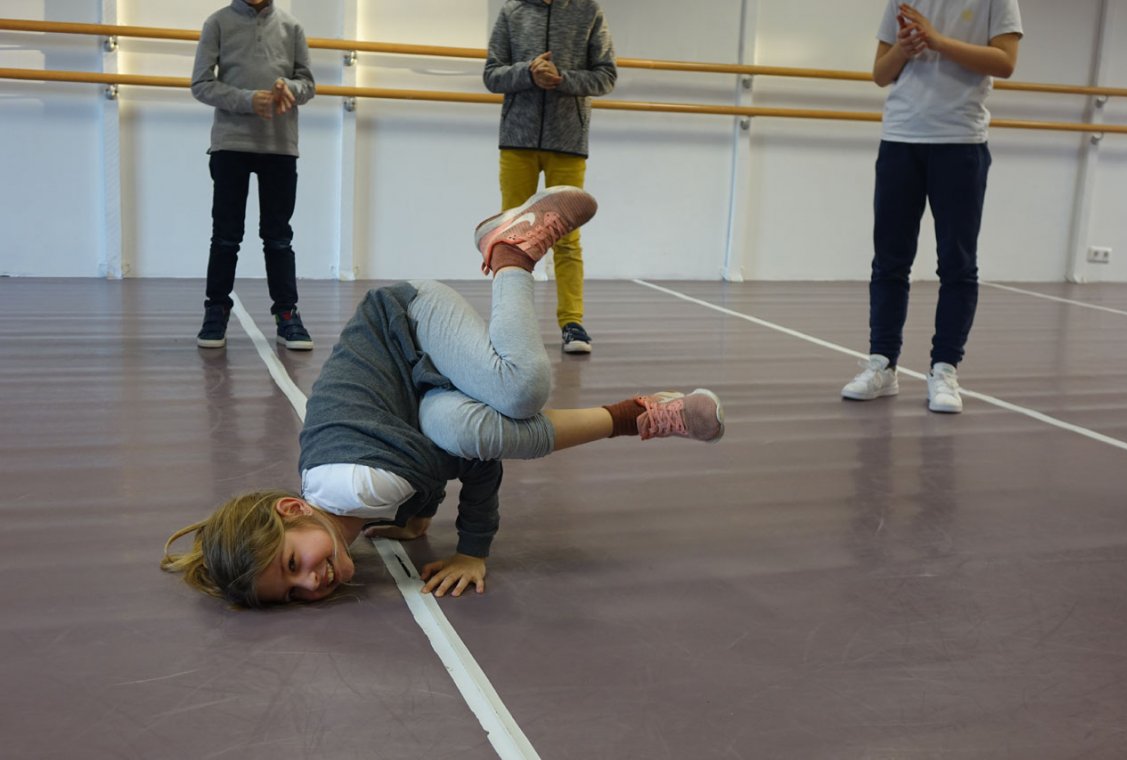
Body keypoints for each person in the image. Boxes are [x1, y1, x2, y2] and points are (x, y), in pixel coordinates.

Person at [162, 187, 726, 608]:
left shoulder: (363, 484)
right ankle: (642, 412)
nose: (311, 581)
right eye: (291, 591)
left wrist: (472, 548)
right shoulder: (351, 502)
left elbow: (476, 468)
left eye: (292, 563)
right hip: (423, 392)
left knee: (517, 393)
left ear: (292, 509)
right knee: (472, 428)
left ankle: (510, 253)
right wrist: (412, 520)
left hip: (408, 323)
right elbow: (410, 453)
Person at [841, 1, 1022, 413]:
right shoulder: (902, 3)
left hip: (961, 143)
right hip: (901, 139)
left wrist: (939, 41)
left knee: (957, 263)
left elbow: (1006, 62)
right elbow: (879, 74)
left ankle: (944, 369)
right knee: (889, 261)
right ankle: (882, 364)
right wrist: (903, 49)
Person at [483, 0, 617, 354]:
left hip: (568, 141)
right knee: (510, 237)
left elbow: (607, 76)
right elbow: (491, 75)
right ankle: (507, 323)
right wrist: (528, 73)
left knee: (568, 238)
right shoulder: (512, 12)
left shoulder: (588, 11)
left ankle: (572, 323)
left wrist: (563, 79)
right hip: (517, 141)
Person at [190, 0, 316, 350]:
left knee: (278, 237)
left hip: (280, 146)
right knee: (226, 235)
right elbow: (200, 84)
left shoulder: (292, 28)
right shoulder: (217, 23)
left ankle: (287, 315)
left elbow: (308, 83)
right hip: (230, 145)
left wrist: (289, 90)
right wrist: (248, 100)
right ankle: (216, 311)